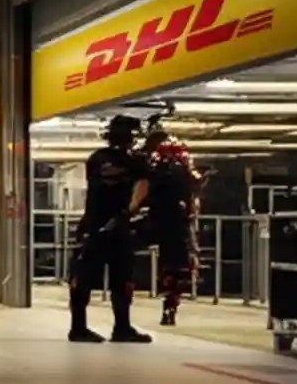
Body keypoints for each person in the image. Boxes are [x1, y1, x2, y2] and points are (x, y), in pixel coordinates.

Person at [67, 115, 153, 343]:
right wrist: (130, 209)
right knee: (120, 277)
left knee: (84, 276)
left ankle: (80, 327)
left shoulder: (96, 158)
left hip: (93, 223)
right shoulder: (134, 162)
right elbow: (142, 187)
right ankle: (120, 327)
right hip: (115, 225)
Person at [140, 127, 202, 326]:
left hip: (158, 220)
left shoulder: (156, 167)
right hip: (177, 223)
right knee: (179, 267)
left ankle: (169, 304)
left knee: (173, 266)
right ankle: (170, 305)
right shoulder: (182, 169)